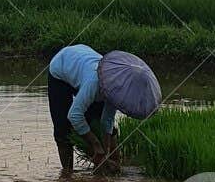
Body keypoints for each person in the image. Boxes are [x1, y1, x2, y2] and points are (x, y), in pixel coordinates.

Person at [48, 43, 162, 174]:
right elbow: (74, 115)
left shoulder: (118, 90)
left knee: (95, 122)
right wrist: (96, 145)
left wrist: (106, 150)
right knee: (62, 129)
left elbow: (106, 120)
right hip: (61, 68)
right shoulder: (93, 82)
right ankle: (67, 176)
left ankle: (109, 168)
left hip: (82, 60)